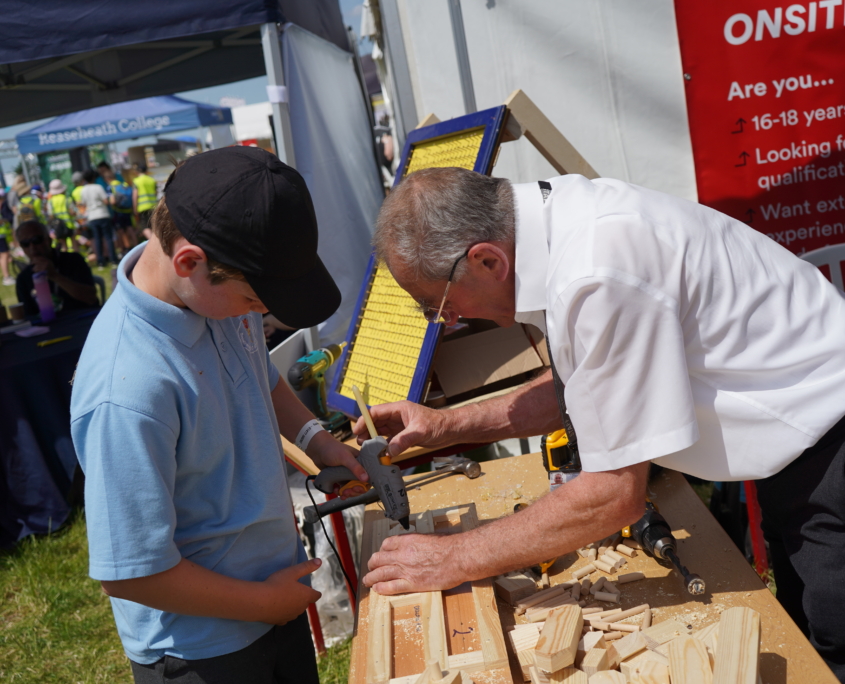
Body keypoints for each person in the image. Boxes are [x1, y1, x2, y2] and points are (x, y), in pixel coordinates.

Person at [357, 167, 845, 680]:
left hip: (830, 441)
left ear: (486, 259)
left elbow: (613, 494)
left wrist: (454, 557)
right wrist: (444, 427)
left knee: (832, 649)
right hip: (802, 443)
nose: (451, 321)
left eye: (443, 307)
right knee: (809, 639)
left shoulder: (597, 270)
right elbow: (584, 387)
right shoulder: (559, 220)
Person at [70, 147, 368, 684]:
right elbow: (132, 573)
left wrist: (315, 439)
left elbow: (259, 372)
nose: (259, 315)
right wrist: (262, 603)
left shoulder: (214, 295)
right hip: (202, 653)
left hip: (272, 600)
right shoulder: (127, 389)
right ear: (189, 263)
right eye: (255, 300)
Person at [14, 219, 98, 316]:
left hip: (82, 319)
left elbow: (91, 298)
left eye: (36, 240)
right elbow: (29, 316)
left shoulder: (73, 260)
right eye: (25, 244)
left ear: (49, 240)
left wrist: (55, 276)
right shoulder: (23, 278)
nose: (32, 247)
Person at [78, 169, 117, 267]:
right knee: (108, 238)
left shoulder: (83, 189)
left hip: (92, 217)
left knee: (97, 239)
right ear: (94, 177)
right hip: (103, 214)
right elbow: (106, 201)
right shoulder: (98, 187)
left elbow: (84, 204)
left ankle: (100, 261)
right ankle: (113, 260)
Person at [98, 161, 137, 255]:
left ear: (107, 178)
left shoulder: (110, 187)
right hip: (127, 210)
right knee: (130, 228)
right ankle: (136, 247)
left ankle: (126, 249)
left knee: (121, 231)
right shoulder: (122, 183)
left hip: (117, 212)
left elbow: (112, 201)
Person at [46, 179, 75, 252]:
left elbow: (51, 215)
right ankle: (77, 261)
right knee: (74, 244)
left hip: (58, 226)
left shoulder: (50, 201)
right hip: (69, 225)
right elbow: (72, 212)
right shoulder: (67, 199)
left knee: (63, 245)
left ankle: (65, 262)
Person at [132, 163, 157, 240]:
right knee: (153, 225)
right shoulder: (152, 180)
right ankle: (156, 240)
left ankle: (151, 241)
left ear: (137, 171)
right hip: (153, 206)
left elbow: (135, 196)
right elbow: (155, 193)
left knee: (144, 226)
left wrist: (135, 209)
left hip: (142, 207)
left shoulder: (136, 181)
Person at [0, 189, 15, 285]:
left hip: (3, 235)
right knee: (4, 255)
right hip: (0, 236)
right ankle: (6, 277)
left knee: (5, 255)